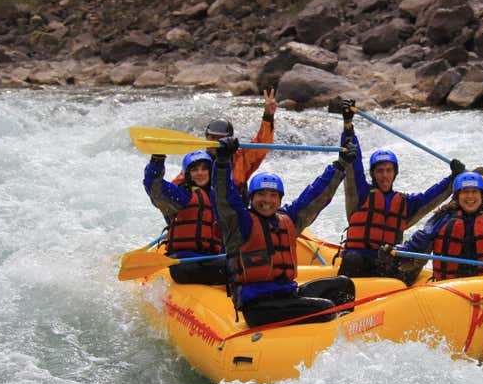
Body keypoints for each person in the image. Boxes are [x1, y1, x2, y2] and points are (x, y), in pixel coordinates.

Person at [213, 135, 358, 327]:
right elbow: (224, 197)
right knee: (325, 307)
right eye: (261, 194)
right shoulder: (240, 223)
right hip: (259, 307)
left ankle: (344, 336)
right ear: (251, 198)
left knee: (343, 285)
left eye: (273, 195)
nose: (267, 200)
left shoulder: (288, 219)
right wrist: (222, 163)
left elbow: (315, 196)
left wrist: (340, 166)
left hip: (287, 295)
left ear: (280, 200)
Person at [336, 99, 466, 278]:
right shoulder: (361, 193)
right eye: (380, 171)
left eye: (389, 170)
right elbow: (353, 162)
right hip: (359, 259)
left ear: (395, 173)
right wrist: (348, 127)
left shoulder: (405, 203)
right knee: (352, 258)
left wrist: (453, 177)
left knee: (415, 248)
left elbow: (430, 197)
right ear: (373, 174)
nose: (384, 175)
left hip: (386, 262)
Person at [382, 171, 483, 285]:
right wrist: (396, 251)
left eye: (474, 192)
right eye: (465, 192)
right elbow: (419, 242)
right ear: (457, 196)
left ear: (482, 196)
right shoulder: (443, 218)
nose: (470, 197)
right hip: (450, 287)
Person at [143, 149, 227, 285]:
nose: (200, 173)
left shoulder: (218, 197)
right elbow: (154, 186)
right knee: (232, 268)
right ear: (188, 174)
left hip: (212, 259)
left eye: (204, 169)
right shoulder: (181, 196)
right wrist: (157, 159)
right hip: (185, 264)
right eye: (195, 170)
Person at [172, 89, 278, 195]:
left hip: (233, 209)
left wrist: (268, 117)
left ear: (229, 139)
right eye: (212, 137)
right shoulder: (196, 161)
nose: (216, 142)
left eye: (221, 138)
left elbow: (262, 144)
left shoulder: (241, 159)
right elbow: (173, 190)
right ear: (206, 138)